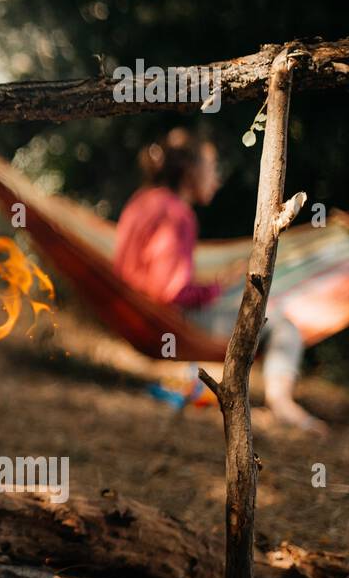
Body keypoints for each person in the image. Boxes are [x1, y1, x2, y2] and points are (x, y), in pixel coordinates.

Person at [114, 128, 327, 435]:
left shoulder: (142, 200)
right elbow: (169, 290)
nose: (217, 178)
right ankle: (282, 403)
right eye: (212, 168)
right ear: (190, 171)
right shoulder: (178, 213)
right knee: (282, 324)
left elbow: (145, 274)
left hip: (139, 313)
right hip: (169, 321)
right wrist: (216, 287)